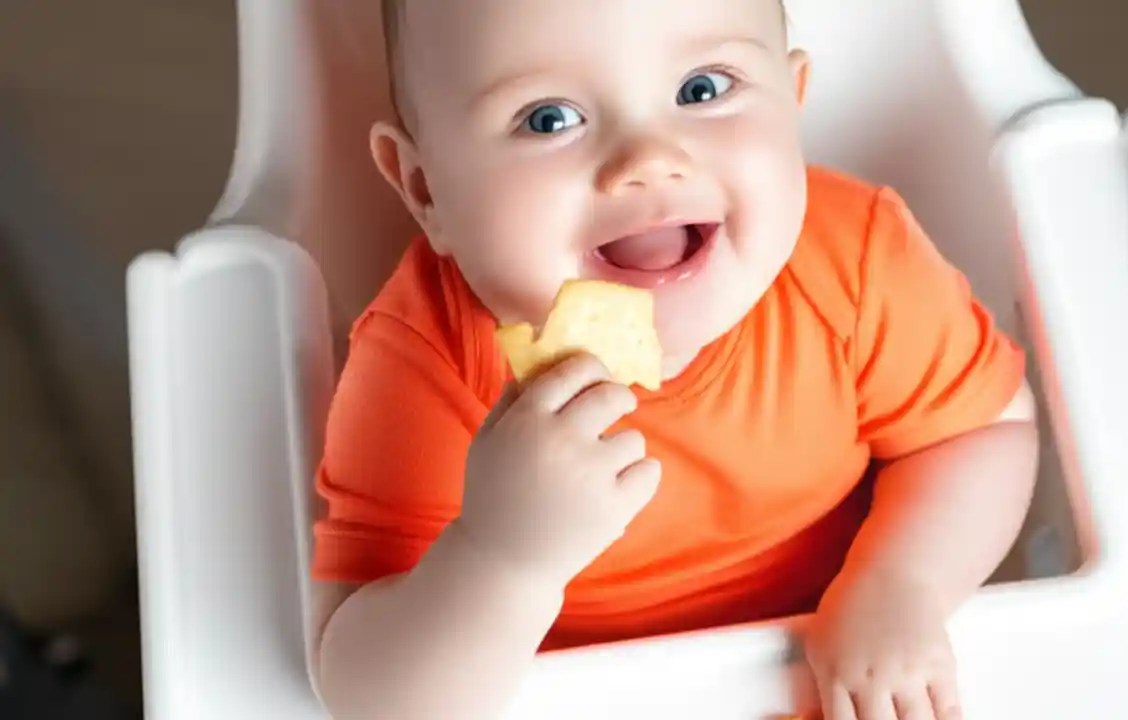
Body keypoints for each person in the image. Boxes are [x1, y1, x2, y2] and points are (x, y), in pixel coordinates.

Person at [310, 1, 1039, 718]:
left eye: (703, 88)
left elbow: (981, 433)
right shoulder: (428, 361)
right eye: (549, 118)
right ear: (425, 187)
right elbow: (367, 690)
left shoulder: (854, 265)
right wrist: (500, 558)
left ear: (792, 101)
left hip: (835, 657)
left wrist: (901, 584)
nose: (648, 160)